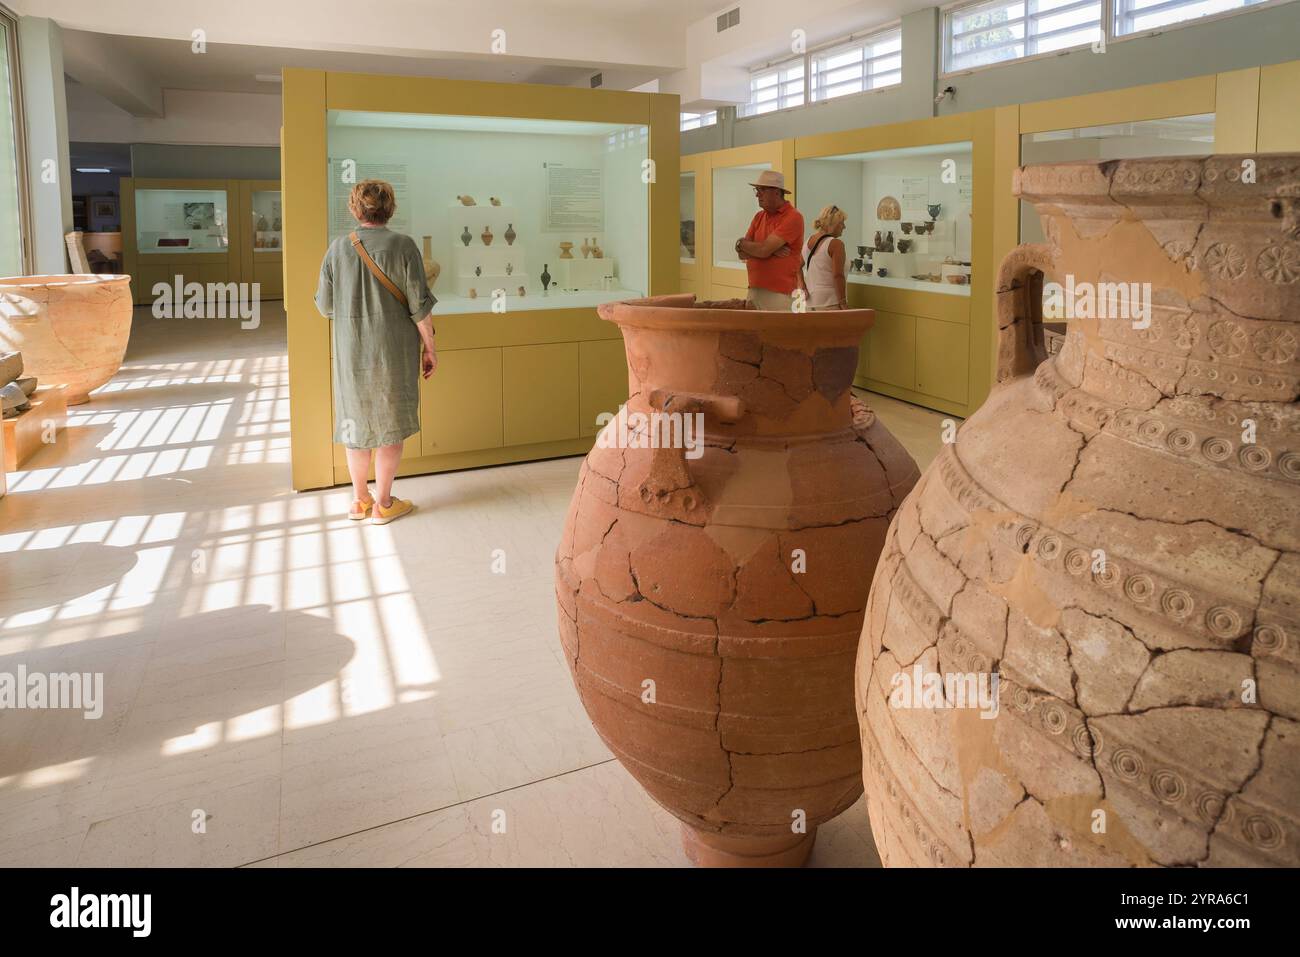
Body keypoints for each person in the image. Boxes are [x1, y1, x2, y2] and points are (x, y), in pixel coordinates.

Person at [315, 179, 437, 525]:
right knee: (390, 426)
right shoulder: (404, 246)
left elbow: (324, 307)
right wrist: (430, 348)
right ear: (390, 208)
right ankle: (384, 502)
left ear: (355, 209)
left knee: (356, 424)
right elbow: (420, 307)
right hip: (393, 353)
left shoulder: (338, 249)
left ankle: (359, 500)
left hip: (352, 352)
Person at [734, 170, 804, 311]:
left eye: (762, 190)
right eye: (757, 190)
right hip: (754, 291)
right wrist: (740, 244)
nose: (757, 194)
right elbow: (742, 254)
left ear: (777, 192)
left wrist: (751, 247)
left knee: (777, 333)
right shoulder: (759, 217)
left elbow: (763, 250)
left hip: (779, 295)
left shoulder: (793, 217)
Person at [801, 204, 848, 310]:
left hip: (810, 303)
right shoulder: (836, 244)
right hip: (830, 303)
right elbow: (838, 275)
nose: (844, 227)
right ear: (834, 224)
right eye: (842, 223)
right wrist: (843, 302)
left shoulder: (808, 241)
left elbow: (796, 267)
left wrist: (803, 286)